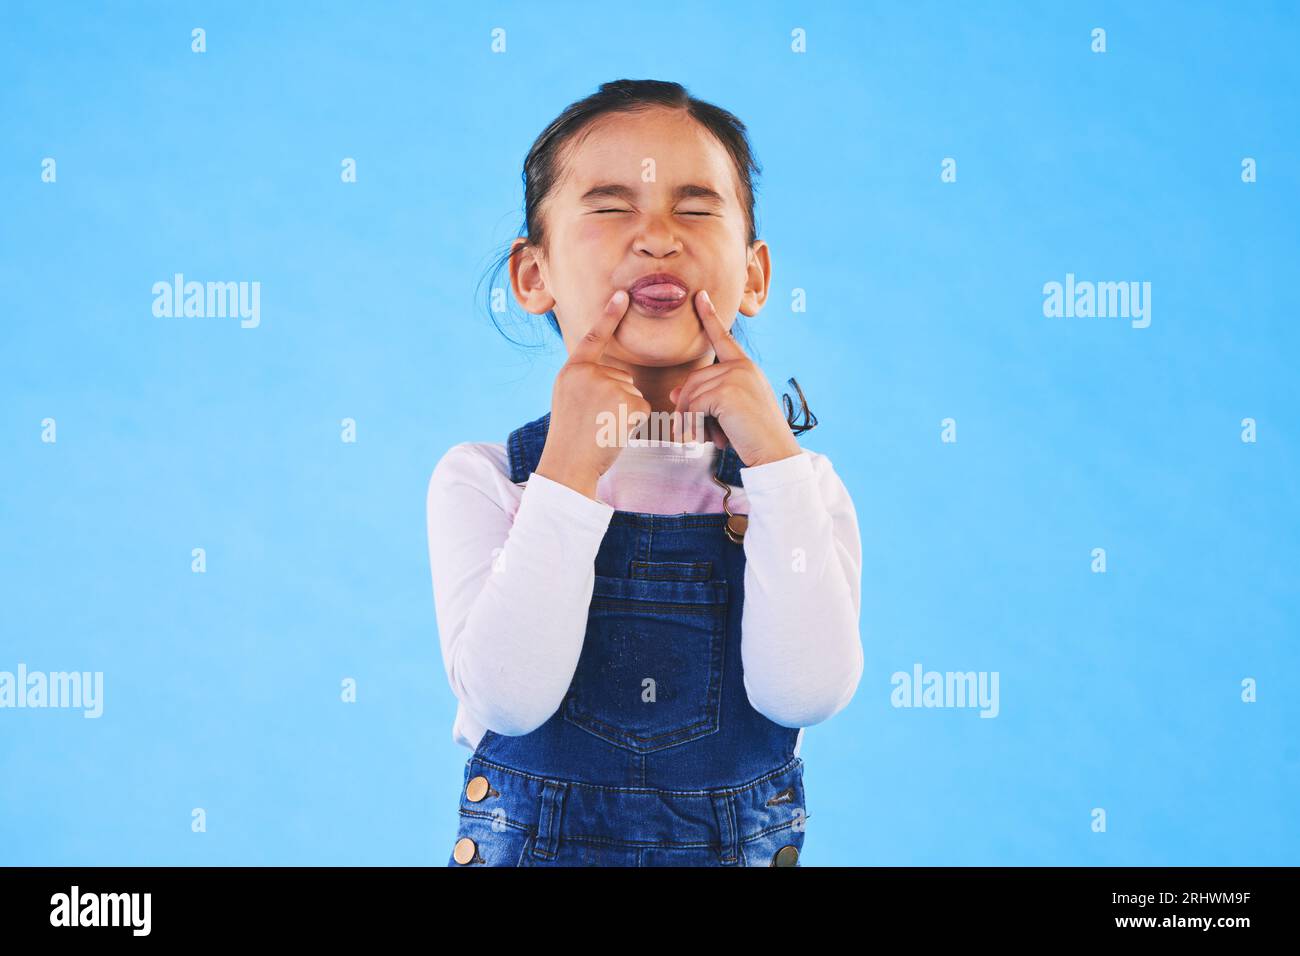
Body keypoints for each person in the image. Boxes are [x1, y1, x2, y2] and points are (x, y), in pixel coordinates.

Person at [427, 79, 863, 866]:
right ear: (534, 277)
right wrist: (570, 463)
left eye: (695, 208)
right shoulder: (491, 481)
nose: (658, 238)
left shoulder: (797, 487)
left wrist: (771, 459)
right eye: (609, 206)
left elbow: (805, 693)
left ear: (755, 276)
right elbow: (509, 699)